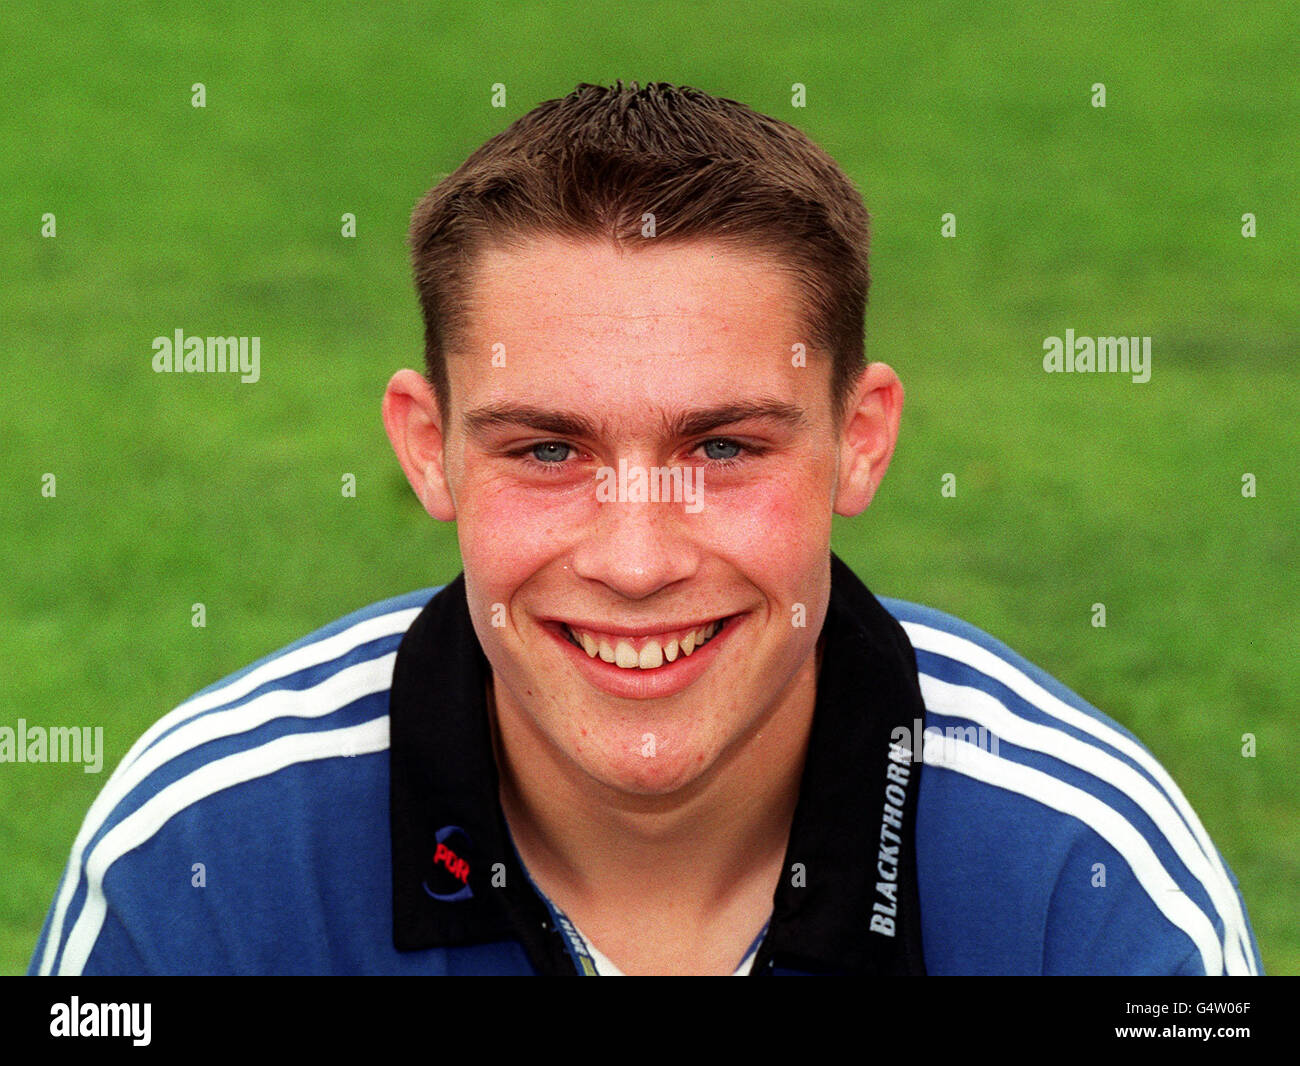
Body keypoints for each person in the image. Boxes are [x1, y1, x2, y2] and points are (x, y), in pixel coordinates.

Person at [31, 82, 1260, 976]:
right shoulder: (197, 856)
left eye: (723, 448)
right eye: (547, 450)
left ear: (861, 437)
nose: (636, 559)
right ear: (428, 446)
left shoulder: (1082, 879)